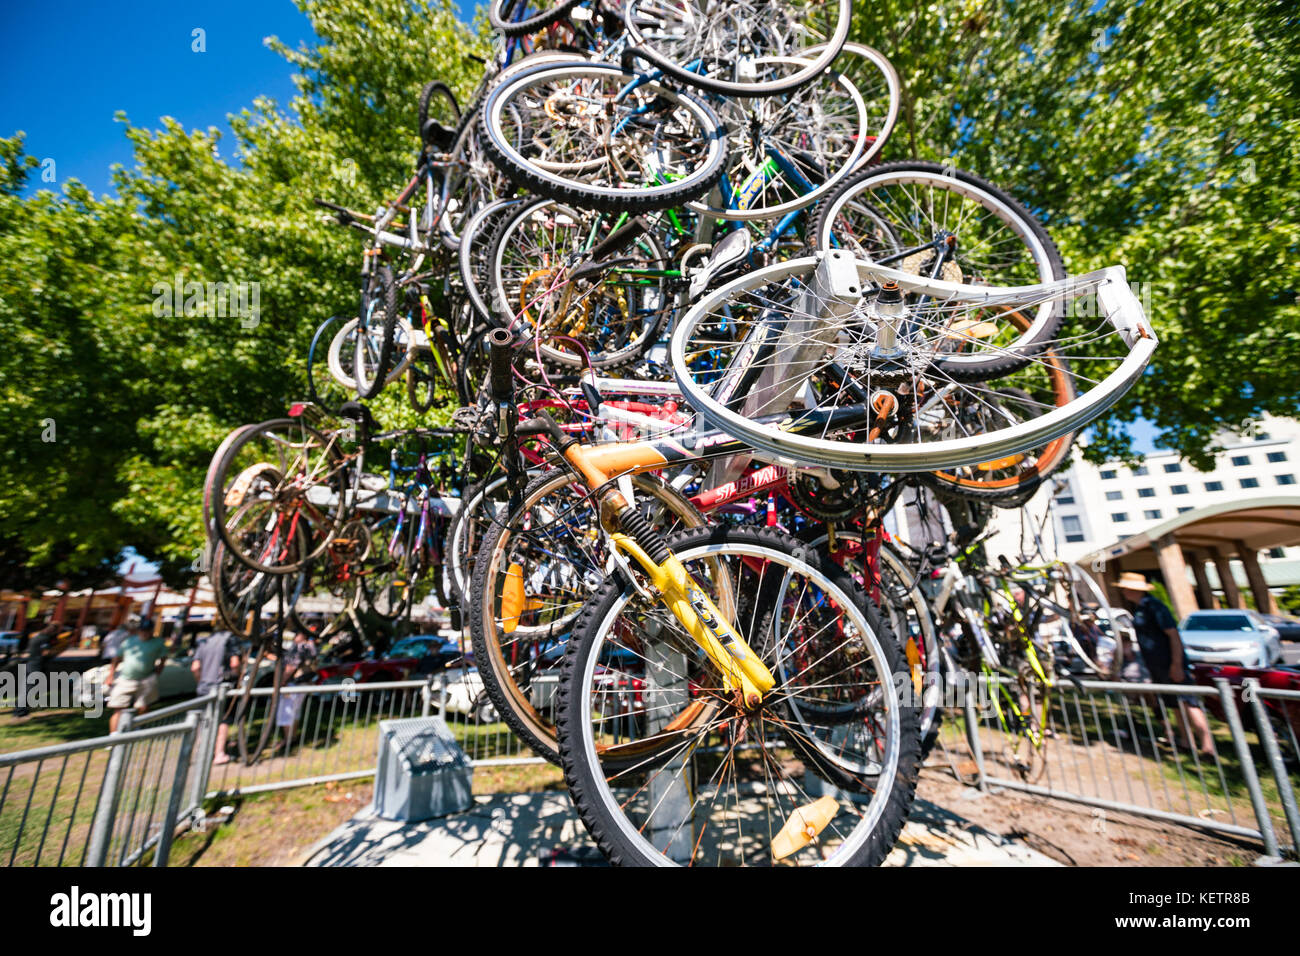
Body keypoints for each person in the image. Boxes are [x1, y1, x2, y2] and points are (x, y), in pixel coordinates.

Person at [1116, 571, 1214, 754]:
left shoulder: (1155, 607)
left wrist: (1176, 664)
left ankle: (1207, 746)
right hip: (1157, 666)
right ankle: (1186, 742)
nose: (1123, 592)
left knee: (1188, 703)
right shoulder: (1140, 609)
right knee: (1174, 704)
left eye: (1125, 589)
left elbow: (1173, 635)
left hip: (1170, 663)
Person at [190, 629, 242, 765]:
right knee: (222, 720)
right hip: (221, 687)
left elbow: (195, 667)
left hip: (203, 687)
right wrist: (237, 677)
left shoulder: (203, 641)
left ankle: (200, 752)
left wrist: (201, 681)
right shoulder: (230, 639)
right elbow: (235, 664)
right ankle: (219, 753)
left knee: (203, 720)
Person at [107, 619, 166, 731]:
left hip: (146, 679)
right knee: (118, 708)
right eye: (143, 630)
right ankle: (113, 736)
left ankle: (138, 729)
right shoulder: (129, 642)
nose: (145, 633)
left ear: (151, 631)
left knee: (143, 706)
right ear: (138, 631)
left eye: (147, 630)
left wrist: (157, 673)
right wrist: (110, 675)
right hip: (126, 679)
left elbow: (163, 659)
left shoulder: (158, 643)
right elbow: (117, 658)